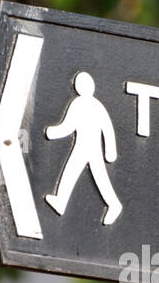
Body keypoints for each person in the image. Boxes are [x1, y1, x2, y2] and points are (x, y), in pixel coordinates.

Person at [44, 71, 123, 225]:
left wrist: (111, 151)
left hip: (90, 147)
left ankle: (114, 205)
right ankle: (60, 201)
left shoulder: (88, 104)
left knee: (98, 177)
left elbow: (106, 128)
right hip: (83, 146)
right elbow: (70, 126)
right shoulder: (84, 103)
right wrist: (109, 150)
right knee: (73, 172)